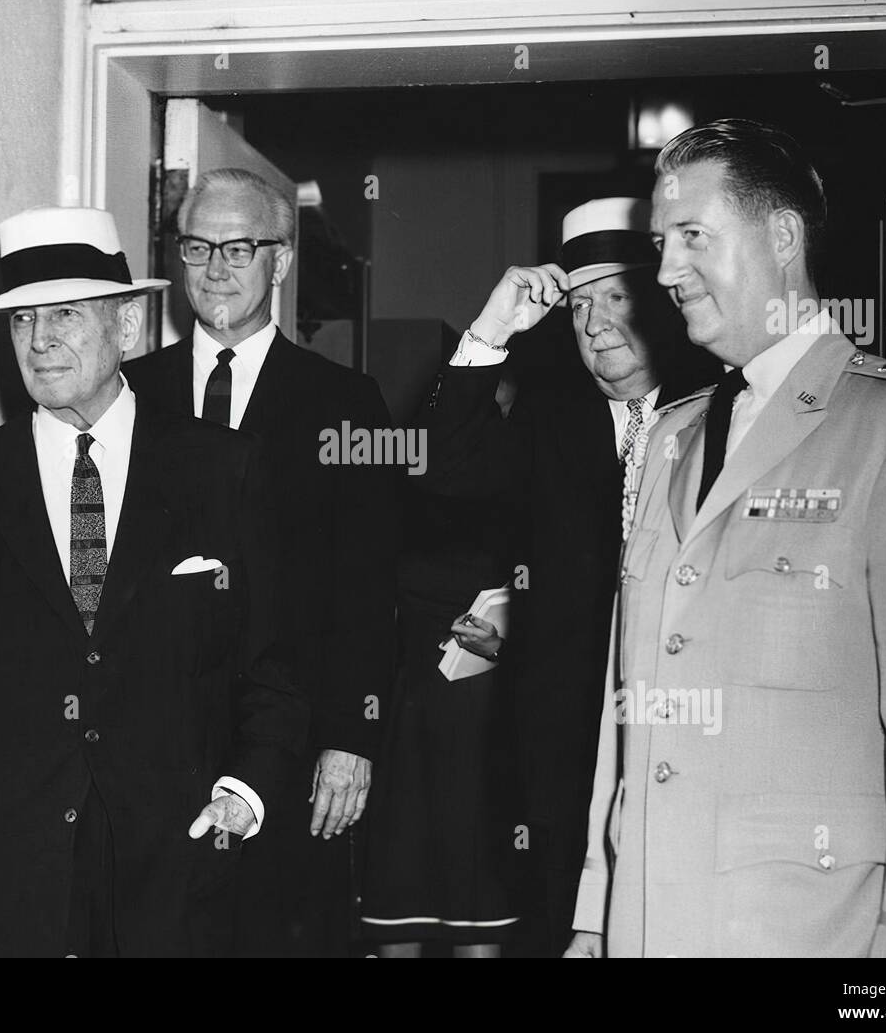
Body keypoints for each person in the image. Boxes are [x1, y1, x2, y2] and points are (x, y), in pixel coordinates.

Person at [566, 118, 886, 958]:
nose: (664, 270)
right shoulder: (670, 436)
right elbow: (624, 703)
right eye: (661, 243)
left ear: (781, 235)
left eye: (692, 238)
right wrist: (595, 913)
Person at [0, 206, 307, 957]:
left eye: (66, 313)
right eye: (21, 321)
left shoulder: (224, 471)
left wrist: (244, 793)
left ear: (129, 326)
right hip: (5, 879)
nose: (40, 342)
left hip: (181, 878)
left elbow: (277, 667)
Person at [416, 199, 717, 957]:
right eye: (580, 305)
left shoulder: (726, 416)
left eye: (617, 297)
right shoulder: (551, 424)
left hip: (693, 743)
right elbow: (444, 470)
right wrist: (490, 332)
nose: (595, 325)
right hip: (564, 767)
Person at [123, 168, 398, 958]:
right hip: (155, 747)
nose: (215, 267)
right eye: (198, 246)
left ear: (279, 261)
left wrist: (353, 738)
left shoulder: (349, 405)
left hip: (295, 749)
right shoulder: (128, 395)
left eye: (238, 247)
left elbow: (368, 587)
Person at [360, 374, 523, 959]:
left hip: (488, 717)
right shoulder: (402, 487)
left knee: (478, 895)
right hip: (409, 709)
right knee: (402, 887)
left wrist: (505, 644)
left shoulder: (525, 482)